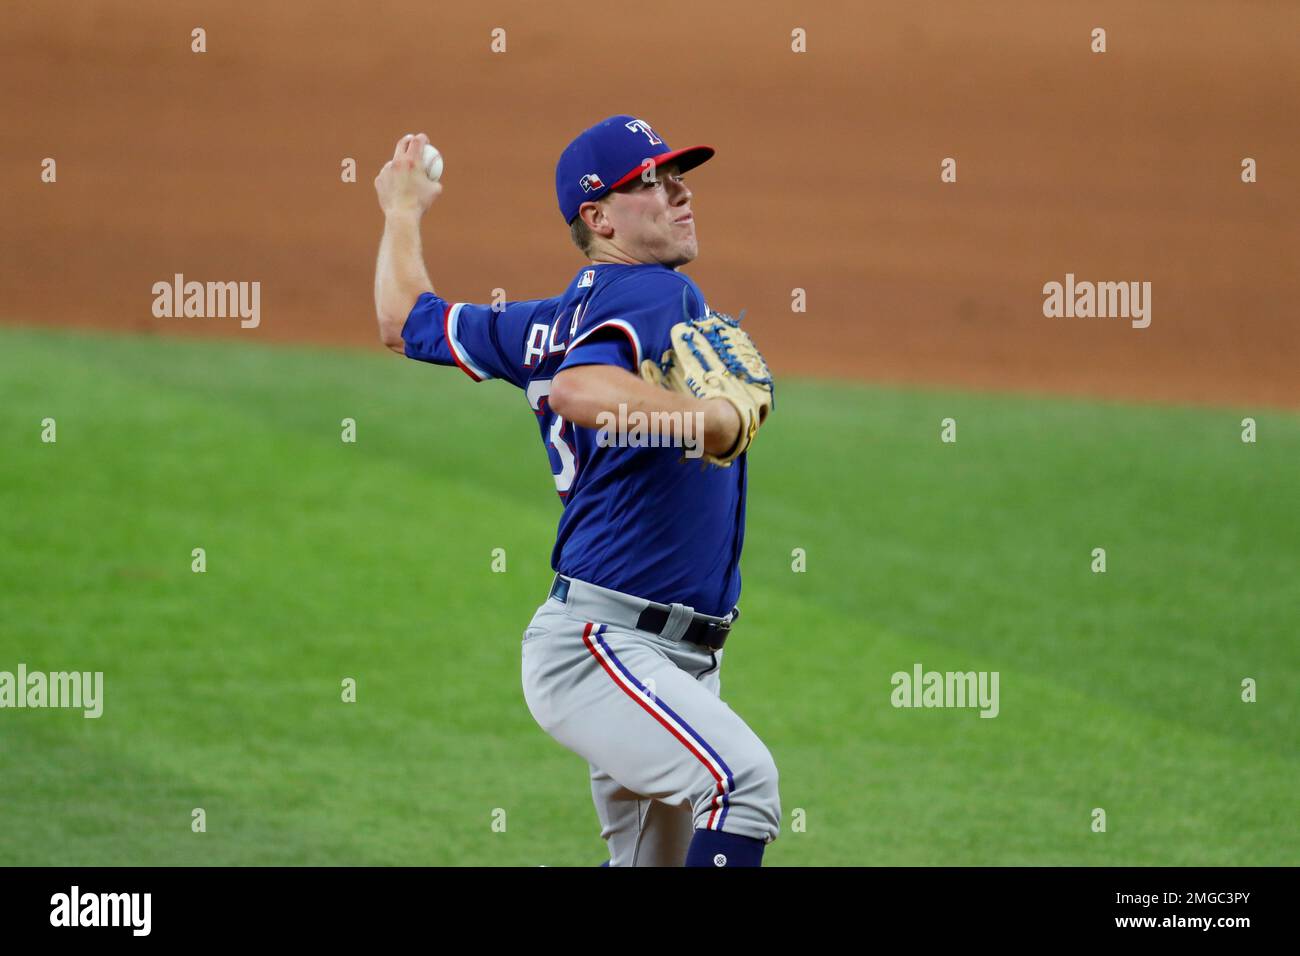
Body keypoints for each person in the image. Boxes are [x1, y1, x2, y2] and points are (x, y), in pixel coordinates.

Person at [372, 116, 779, 867]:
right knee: (741, 784)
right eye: (652, 182)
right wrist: (707, 422)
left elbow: (402, 321)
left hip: (644, 654)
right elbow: (580, 388)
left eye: (677, 175)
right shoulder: (657, 293)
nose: (681, 191)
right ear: (599, 218)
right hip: (606, 648)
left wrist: (402, 213)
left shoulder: (544, 322)